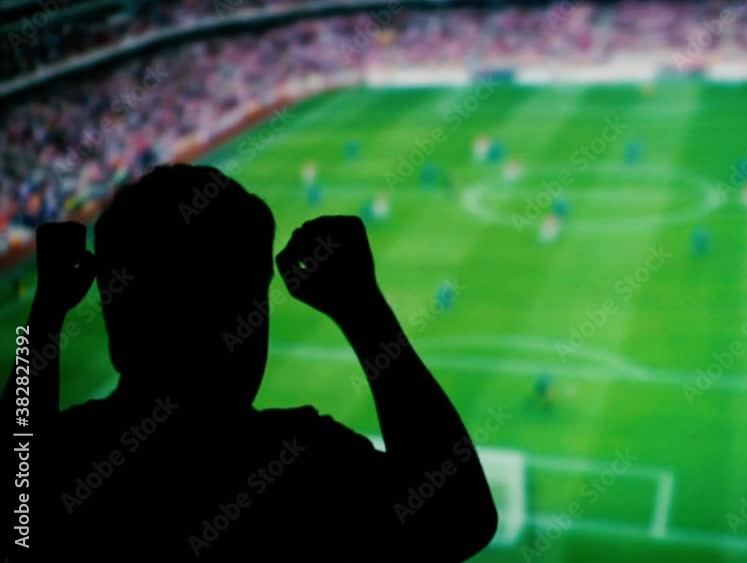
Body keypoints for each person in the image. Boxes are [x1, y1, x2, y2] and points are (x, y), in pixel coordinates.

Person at [2, 165, 498, 563]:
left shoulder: (66, 457)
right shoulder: (304, 465)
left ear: (113, 317)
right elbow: (458, 517)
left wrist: (46, 315)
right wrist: (361, 308)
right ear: (249, 325)